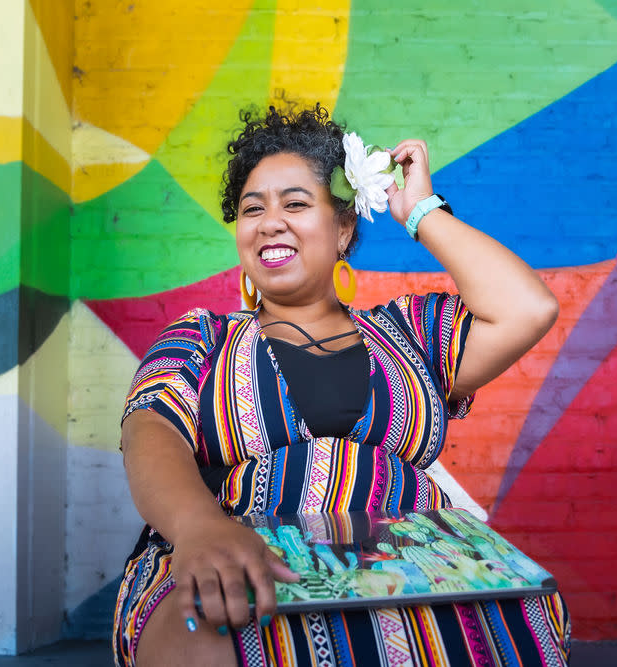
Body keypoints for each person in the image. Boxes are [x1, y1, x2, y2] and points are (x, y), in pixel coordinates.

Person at [113, 105, 570, 666]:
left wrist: (419, 210)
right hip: (238, 552)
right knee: (202, 633)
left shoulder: (409, 334)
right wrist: (198, 530)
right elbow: (149, 431)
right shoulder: (202, 339)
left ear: (344, 228)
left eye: (296, 204)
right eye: (252, 209)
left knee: (514, 628)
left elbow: (529, 308)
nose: (270, 221)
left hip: (416, 568)